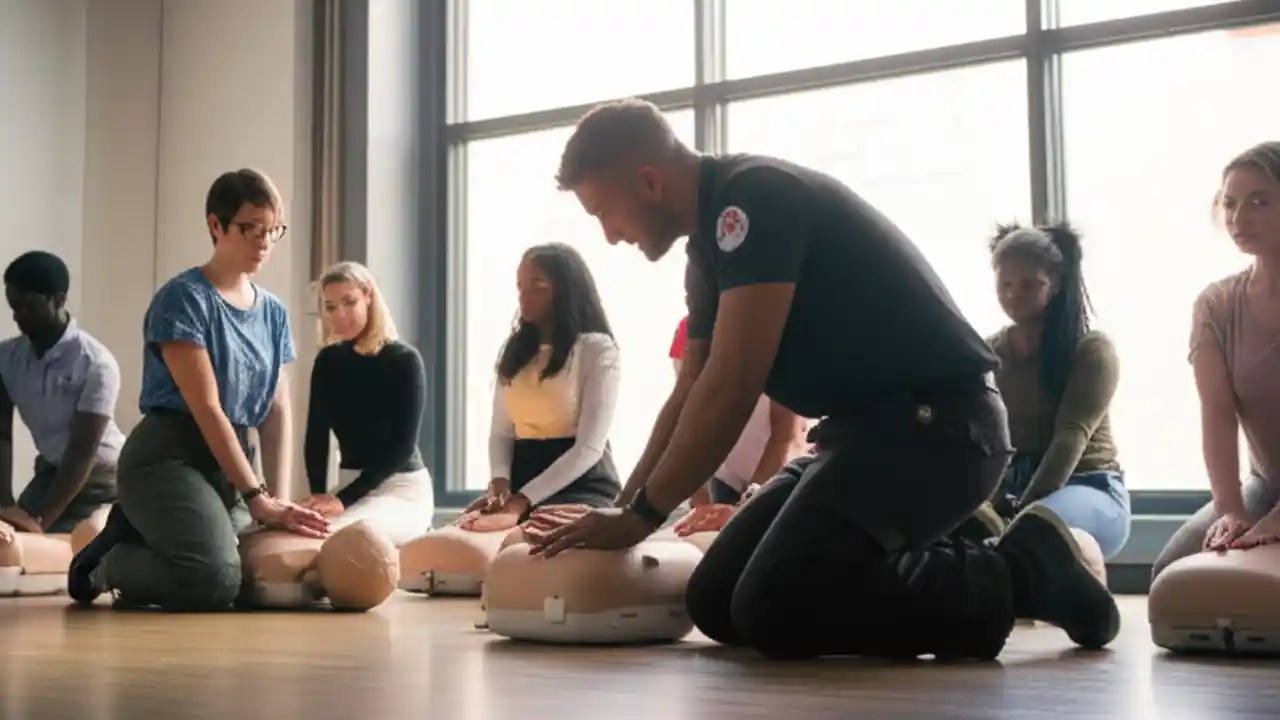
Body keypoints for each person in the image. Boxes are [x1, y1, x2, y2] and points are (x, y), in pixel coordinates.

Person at [529, 98, 1119, 660]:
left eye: (604, 212)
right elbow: (690, 390)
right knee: (717, 601)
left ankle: (1021, 569)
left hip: (944, 433)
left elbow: (730, 389)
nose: (609, 235)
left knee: (774, 606)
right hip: (860, 439)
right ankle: (941, 551)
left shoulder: (753, 203)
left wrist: (641, 517)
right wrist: (628, 507)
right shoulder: (708, 251)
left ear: (650, 181)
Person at [67, 168, 330, 610]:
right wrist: (256, 498)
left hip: (231, 461)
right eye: (251, 228)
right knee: (212, 579)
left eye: (273, 230)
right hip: (168, 456)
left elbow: (276, 409)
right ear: (216, 225)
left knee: (255, 569)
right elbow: (207, 407)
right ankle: (106, 562)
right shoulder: (183, 299)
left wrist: (276, 497)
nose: (264, 242)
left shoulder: (273, 312)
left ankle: (141, 525)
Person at [1153, 141, 1280, 578]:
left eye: (1259, 202)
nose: (1238, 219)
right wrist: (1231, 510)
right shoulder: (1217, 304)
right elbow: (1219, 411)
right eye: (1230, 203)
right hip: (1269, 482)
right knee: (1174, 573)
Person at [982, 223, 1131, 559]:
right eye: (1004, 284)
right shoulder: (991, 352)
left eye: (1027, 285)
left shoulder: (1091, 350)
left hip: (1089, 486)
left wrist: (1019, 511)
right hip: (1014, 487)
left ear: (1056, 285)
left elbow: (1070, 439)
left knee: (1034, 529)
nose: (1012, 295)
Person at [457, 243, 622, 537]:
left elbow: (588, 448)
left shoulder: (596, 349)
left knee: (527, 543)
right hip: (522, 479)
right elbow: (501, 432)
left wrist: (521, 503)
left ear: (565, 289)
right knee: (458, 538)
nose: (525, 296)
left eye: (538, 286)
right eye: (520, 286)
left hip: (580, 483)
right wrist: (500, 484)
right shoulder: (516, 352)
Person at [299, 261, 434, 547]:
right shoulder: (327, 361)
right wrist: (319, 497)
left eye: (350, 302)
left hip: (401, 488)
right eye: (331, 306)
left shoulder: (404, 360)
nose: (340, 315)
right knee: (302, 533)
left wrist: (342, 499)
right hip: (349, 487)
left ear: (369, 297)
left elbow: (403, 446)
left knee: (342, 538)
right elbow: (316, 437)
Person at [0, 251, 124, 535]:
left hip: (100, 481)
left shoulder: (96, 363)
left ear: (58, 300)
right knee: (8, 538)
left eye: (29, 307)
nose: (19, 317)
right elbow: (1, 435)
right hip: (50, 473)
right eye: (14, 307)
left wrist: (41, 522)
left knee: (67, 546)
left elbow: (82, 452)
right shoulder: (7, 358)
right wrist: (5, 504)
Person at [667, 314, 810, 535]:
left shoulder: (782, 331)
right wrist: (701, 503)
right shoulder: (690, 330)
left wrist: (746, 509)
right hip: (727, 473)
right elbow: (694, 425)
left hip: (781, 471)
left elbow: (785, 437)